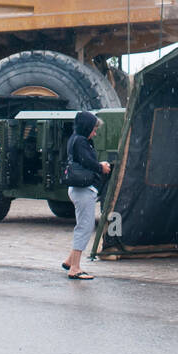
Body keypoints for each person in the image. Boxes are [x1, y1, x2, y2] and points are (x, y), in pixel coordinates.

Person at [63, 111, 110, 279]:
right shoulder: (82, 141)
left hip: (77, 189)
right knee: (85, 227)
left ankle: (69, 261)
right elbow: (87, 161)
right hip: (84, 190)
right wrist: (101, 166)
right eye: (94, 129)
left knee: (83, 225)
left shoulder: (75, 138)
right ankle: (75, 268)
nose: (95, 133)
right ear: (87, 127)